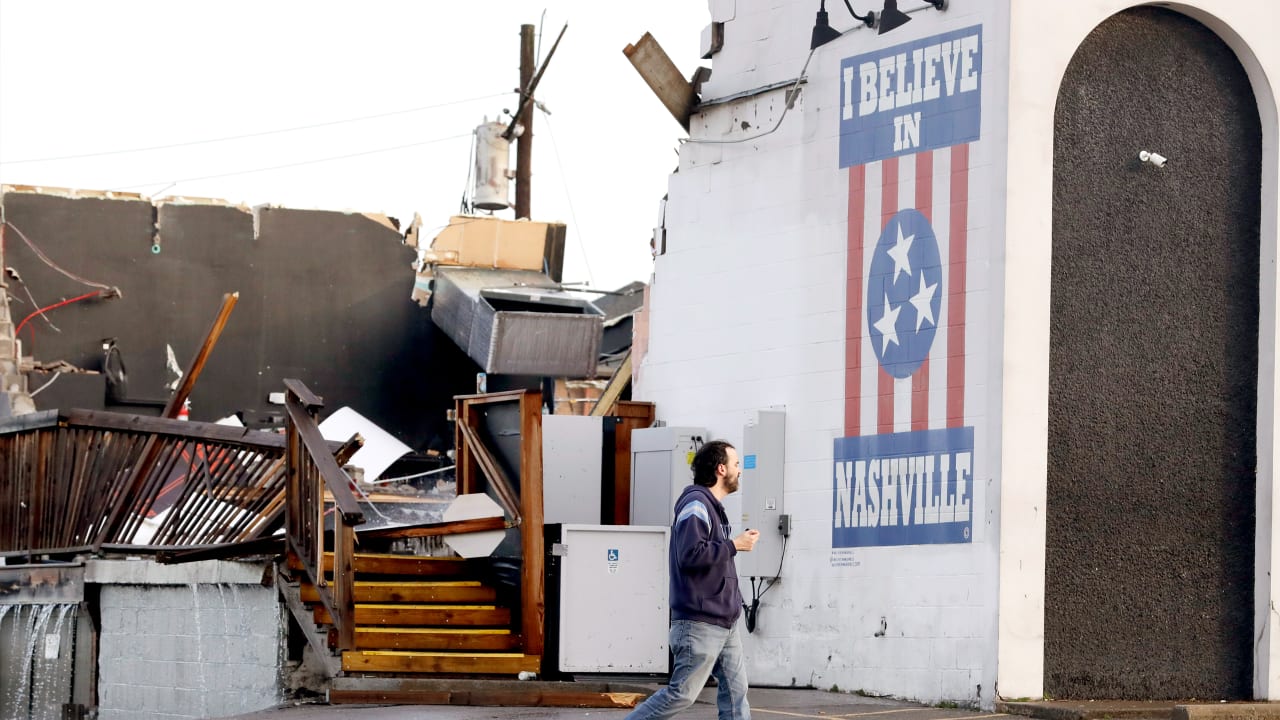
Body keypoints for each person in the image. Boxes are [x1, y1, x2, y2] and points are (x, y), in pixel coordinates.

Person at [627, 439, 760, 720]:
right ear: (721, 469)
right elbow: (691, 555)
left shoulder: (710, 506)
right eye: (736, 464)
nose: (740, 470)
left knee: (737, 693)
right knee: (681, 694)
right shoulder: (696, 505)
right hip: (700, 623)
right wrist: (734, 545)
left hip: (724, 620)